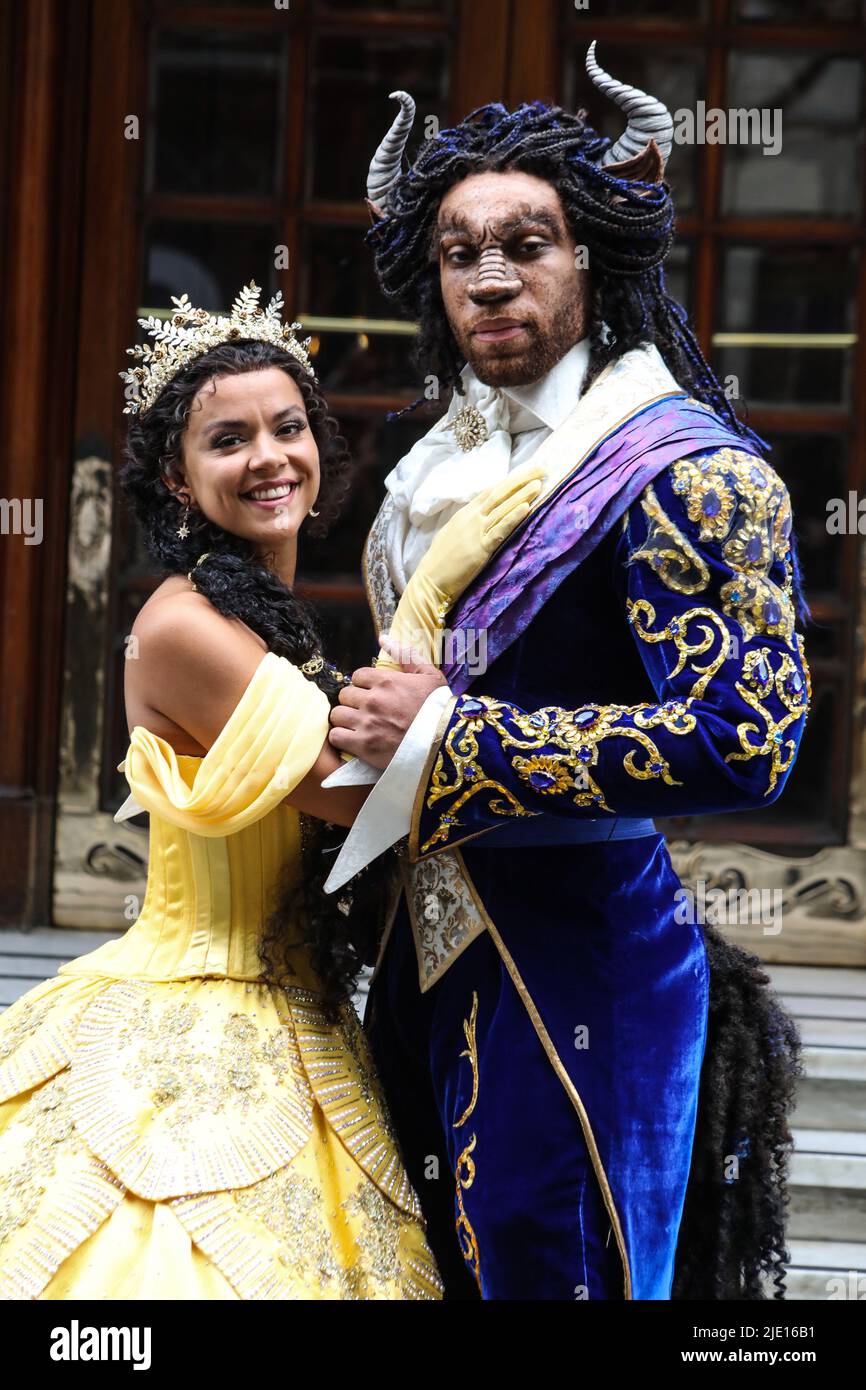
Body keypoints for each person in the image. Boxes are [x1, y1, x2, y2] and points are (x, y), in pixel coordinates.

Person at [321, 44, 811, 1301]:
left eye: (525, 244)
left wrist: (457, 732)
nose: (489, 277)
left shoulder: (684, 468)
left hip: (577, 961)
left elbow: (745, 736)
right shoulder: (441, 456)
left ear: (590, 255)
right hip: (423, 956)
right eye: (458, 251)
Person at [0, 283, 542, 1300]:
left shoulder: (265, 616)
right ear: (175, 476)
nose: (268, 458)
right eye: (228, 439)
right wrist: (436, 607)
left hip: (305, 1010)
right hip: (203, 1016)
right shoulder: (182, 627)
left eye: (288, 428)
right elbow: (356, 802)